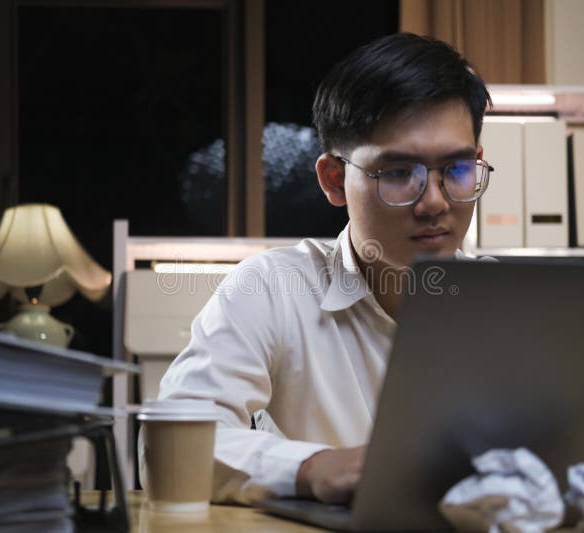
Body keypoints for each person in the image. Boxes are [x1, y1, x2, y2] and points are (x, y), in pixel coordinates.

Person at [157, 32, 492, 506]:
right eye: (399, 173)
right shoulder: (273, 287)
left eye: (456, 170)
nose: (435, 202)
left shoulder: (515, 304)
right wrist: (309, 468)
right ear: (334, 180)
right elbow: (176, 440)